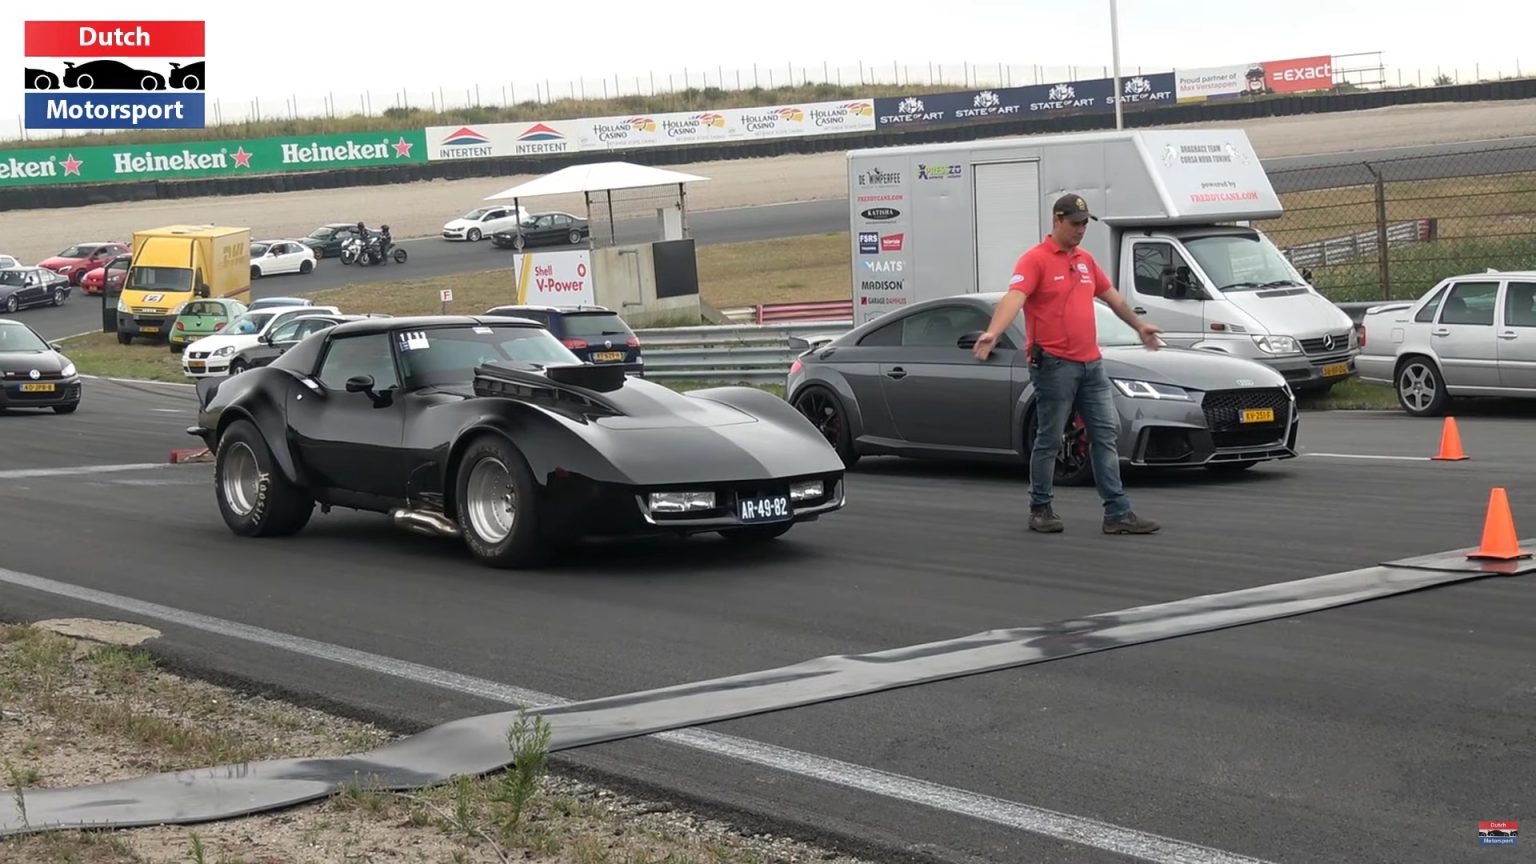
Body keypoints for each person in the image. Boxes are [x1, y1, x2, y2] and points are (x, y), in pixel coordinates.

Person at [972, 193, 1163, 536]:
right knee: (1050, 438)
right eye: (1075, 223)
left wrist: (1139, 325)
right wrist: (993, 332)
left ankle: (1117, 512)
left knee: (1105, 434)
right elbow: (1014, 297)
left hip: (1091, 364)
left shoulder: (1086, 260)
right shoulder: (1035, 260)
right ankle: (1040, 507)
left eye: (1085, 223)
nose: (1081, 230)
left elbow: (1112, 296)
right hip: (1054, 365)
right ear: (1057, 221)